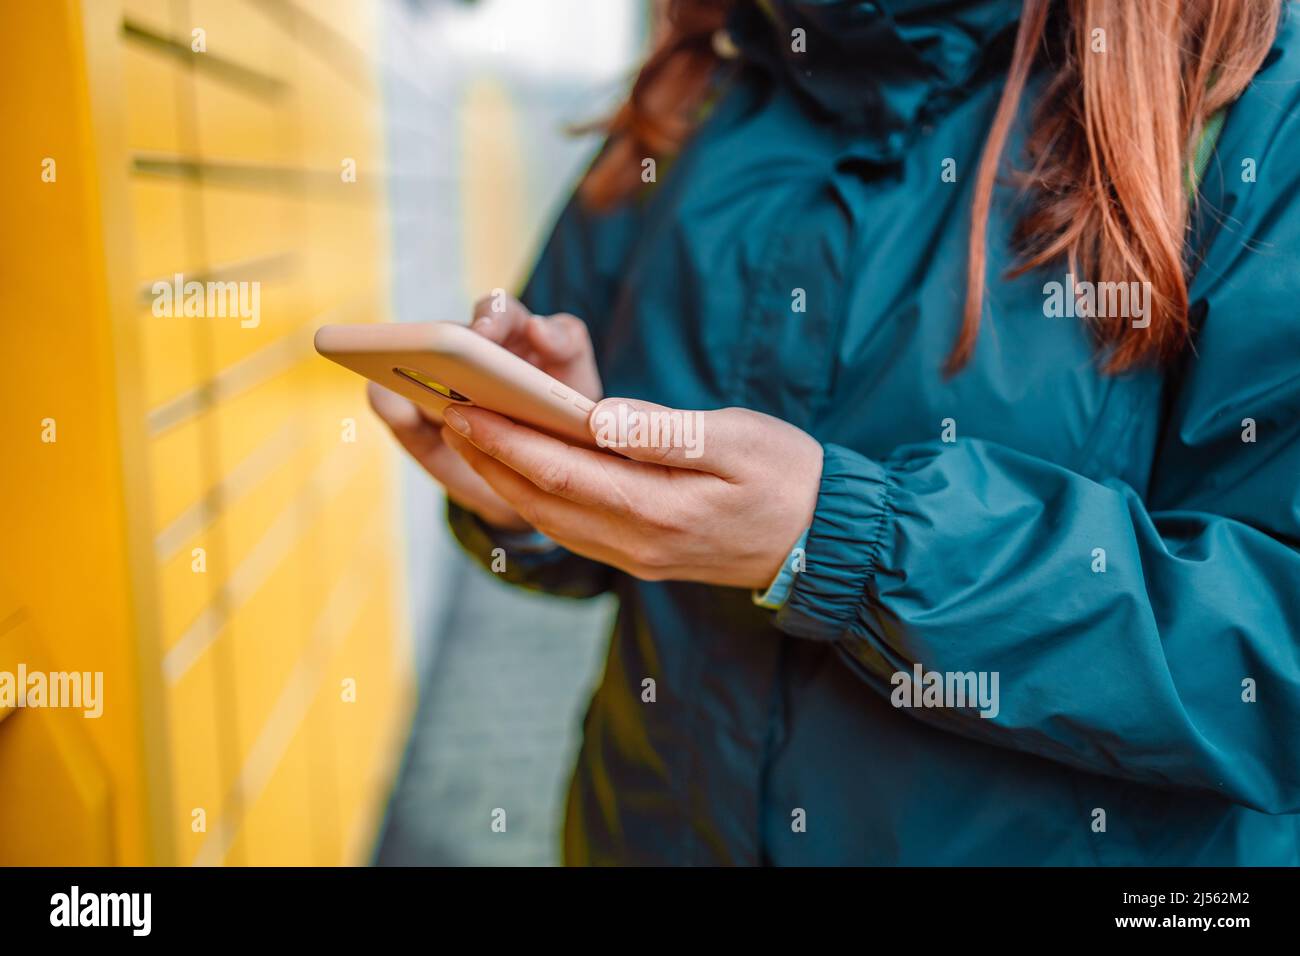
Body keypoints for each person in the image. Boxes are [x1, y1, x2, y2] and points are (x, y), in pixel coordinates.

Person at [370, 0, 1300, 864]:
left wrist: (849, 544)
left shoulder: (1251, 93)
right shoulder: (702, 82)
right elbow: (614, 555)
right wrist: (533, 493)